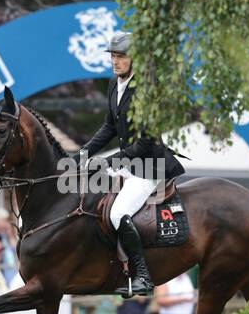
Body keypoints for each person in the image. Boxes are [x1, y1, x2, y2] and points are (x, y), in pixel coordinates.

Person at [76, 31, 185, 297]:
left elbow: (146, 143)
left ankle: (144, 276)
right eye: (113, 56)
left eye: (121, 57)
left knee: (117, 213)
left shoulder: (147, 91)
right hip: (129, 163)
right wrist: (83, 153)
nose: (115, 62)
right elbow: (109, 126)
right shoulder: (115, 85)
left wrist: (108, 161)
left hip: (150, 165)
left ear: (134, 59)